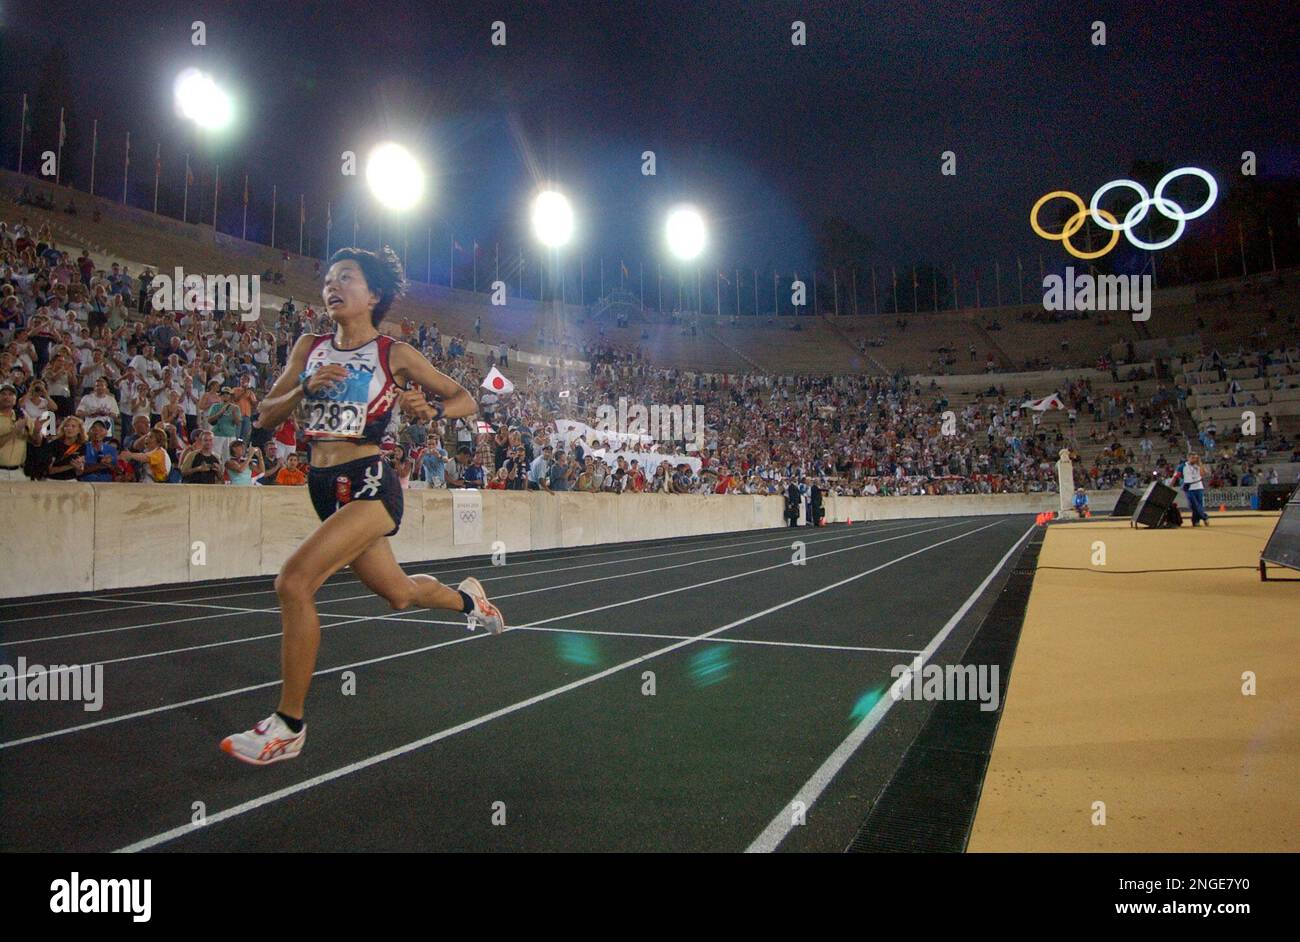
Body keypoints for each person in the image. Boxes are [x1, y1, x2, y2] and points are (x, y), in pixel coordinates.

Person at [221, 246, 504, 767]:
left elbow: (466, 398)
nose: (331, 286)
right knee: (398, 595)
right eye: (328, 279)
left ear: (372, 294)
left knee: (293, 582)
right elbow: (262, 415)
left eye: (345, 278)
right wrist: (304, 387)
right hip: (323, 484)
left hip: (371, 481)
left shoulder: (393, 353)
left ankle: (288, 725)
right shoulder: (309, 347)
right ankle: (472, 602)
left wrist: (431, 408)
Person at [1172, 453, 1209, 527]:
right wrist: (1171, 485)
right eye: (1192, 458)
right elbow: (1176, 476)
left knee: (1199, 505)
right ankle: (1204, 517)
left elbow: (1203, 474)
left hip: (1198, 486)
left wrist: (1200, 464)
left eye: (1195, 458)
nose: (1194, 459)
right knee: (1194, 505)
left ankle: (1196, 521)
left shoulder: (1198, 465)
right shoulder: (1183, 466)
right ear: (1188, 458)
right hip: (1189, 487)